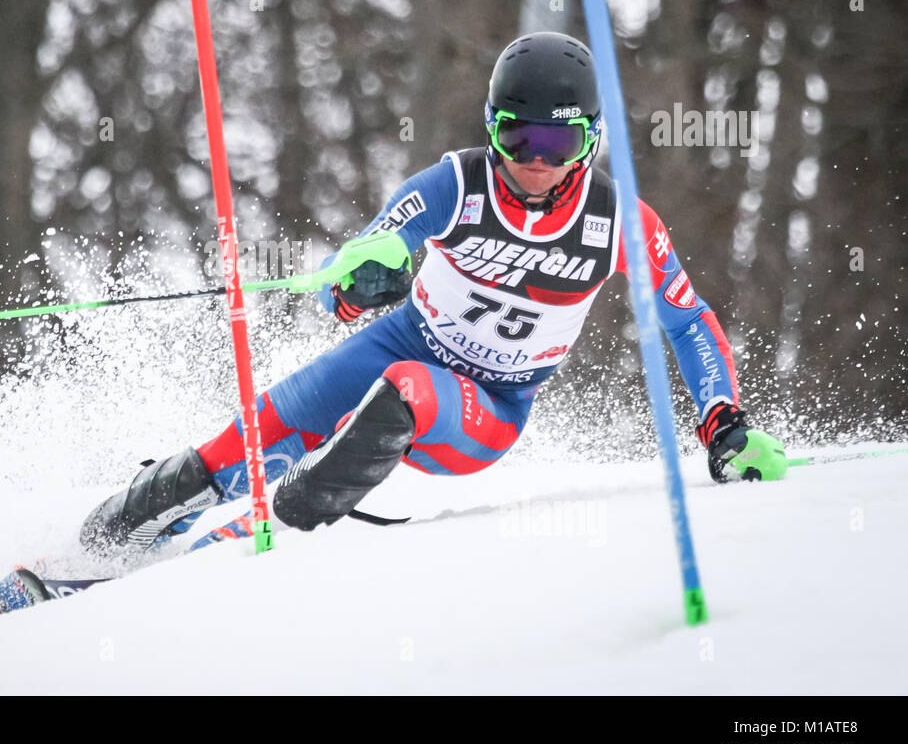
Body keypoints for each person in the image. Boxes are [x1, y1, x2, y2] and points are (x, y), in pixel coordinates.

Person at [77, 30, 788, 561]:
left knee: (411, 390)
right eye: (517, 136)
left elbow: (686, 317)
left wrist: (723, 424)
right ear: (492, 127)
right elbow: (348, 284)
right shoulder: (453, 185)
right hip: (400, 341)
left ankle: (258, 540)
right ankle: (104, 541)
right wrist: (361, 284)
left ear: (590, 140)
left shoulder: (618, 223)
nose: (535, 162)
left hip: (489, 405)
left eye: (558, 143)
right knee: (246, 436)